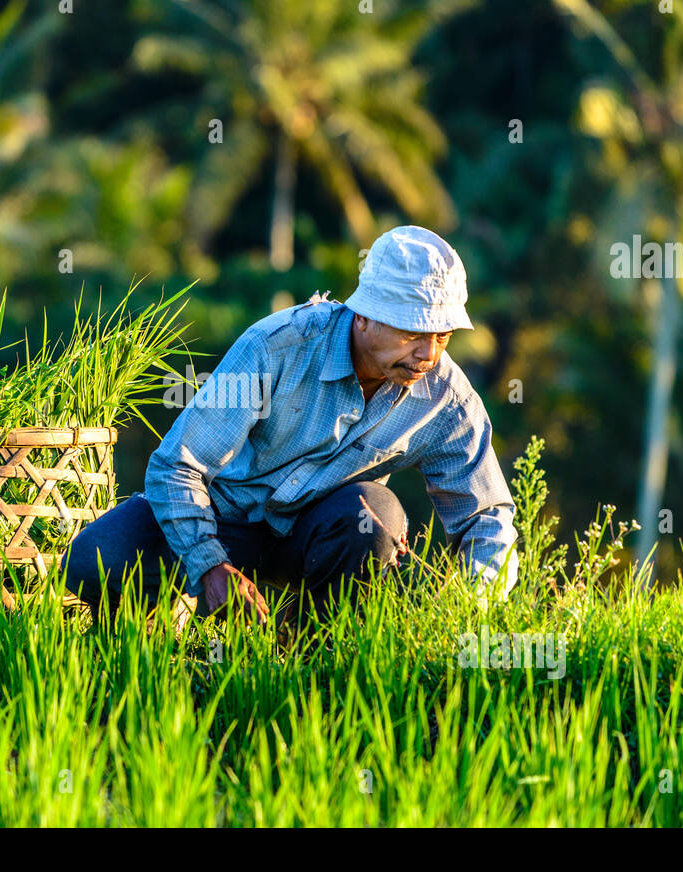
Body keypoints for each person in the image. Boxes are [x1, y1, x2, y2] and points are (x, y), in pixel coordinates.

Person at [62, 225, 519, 624]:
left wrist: (468, 610)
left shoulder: (447, 397)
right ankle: (155, 636)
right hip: (226, 523)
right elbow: (178, 467)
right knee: (94, 559)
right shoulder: (276, 347)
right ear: (363, 316)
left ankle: (317, 653)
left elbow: (487, 515)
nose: (429, 354)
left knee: (373, 518)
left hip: (324, 542)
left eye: (442, 336)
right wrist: (209, 565)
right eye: (412, 333)